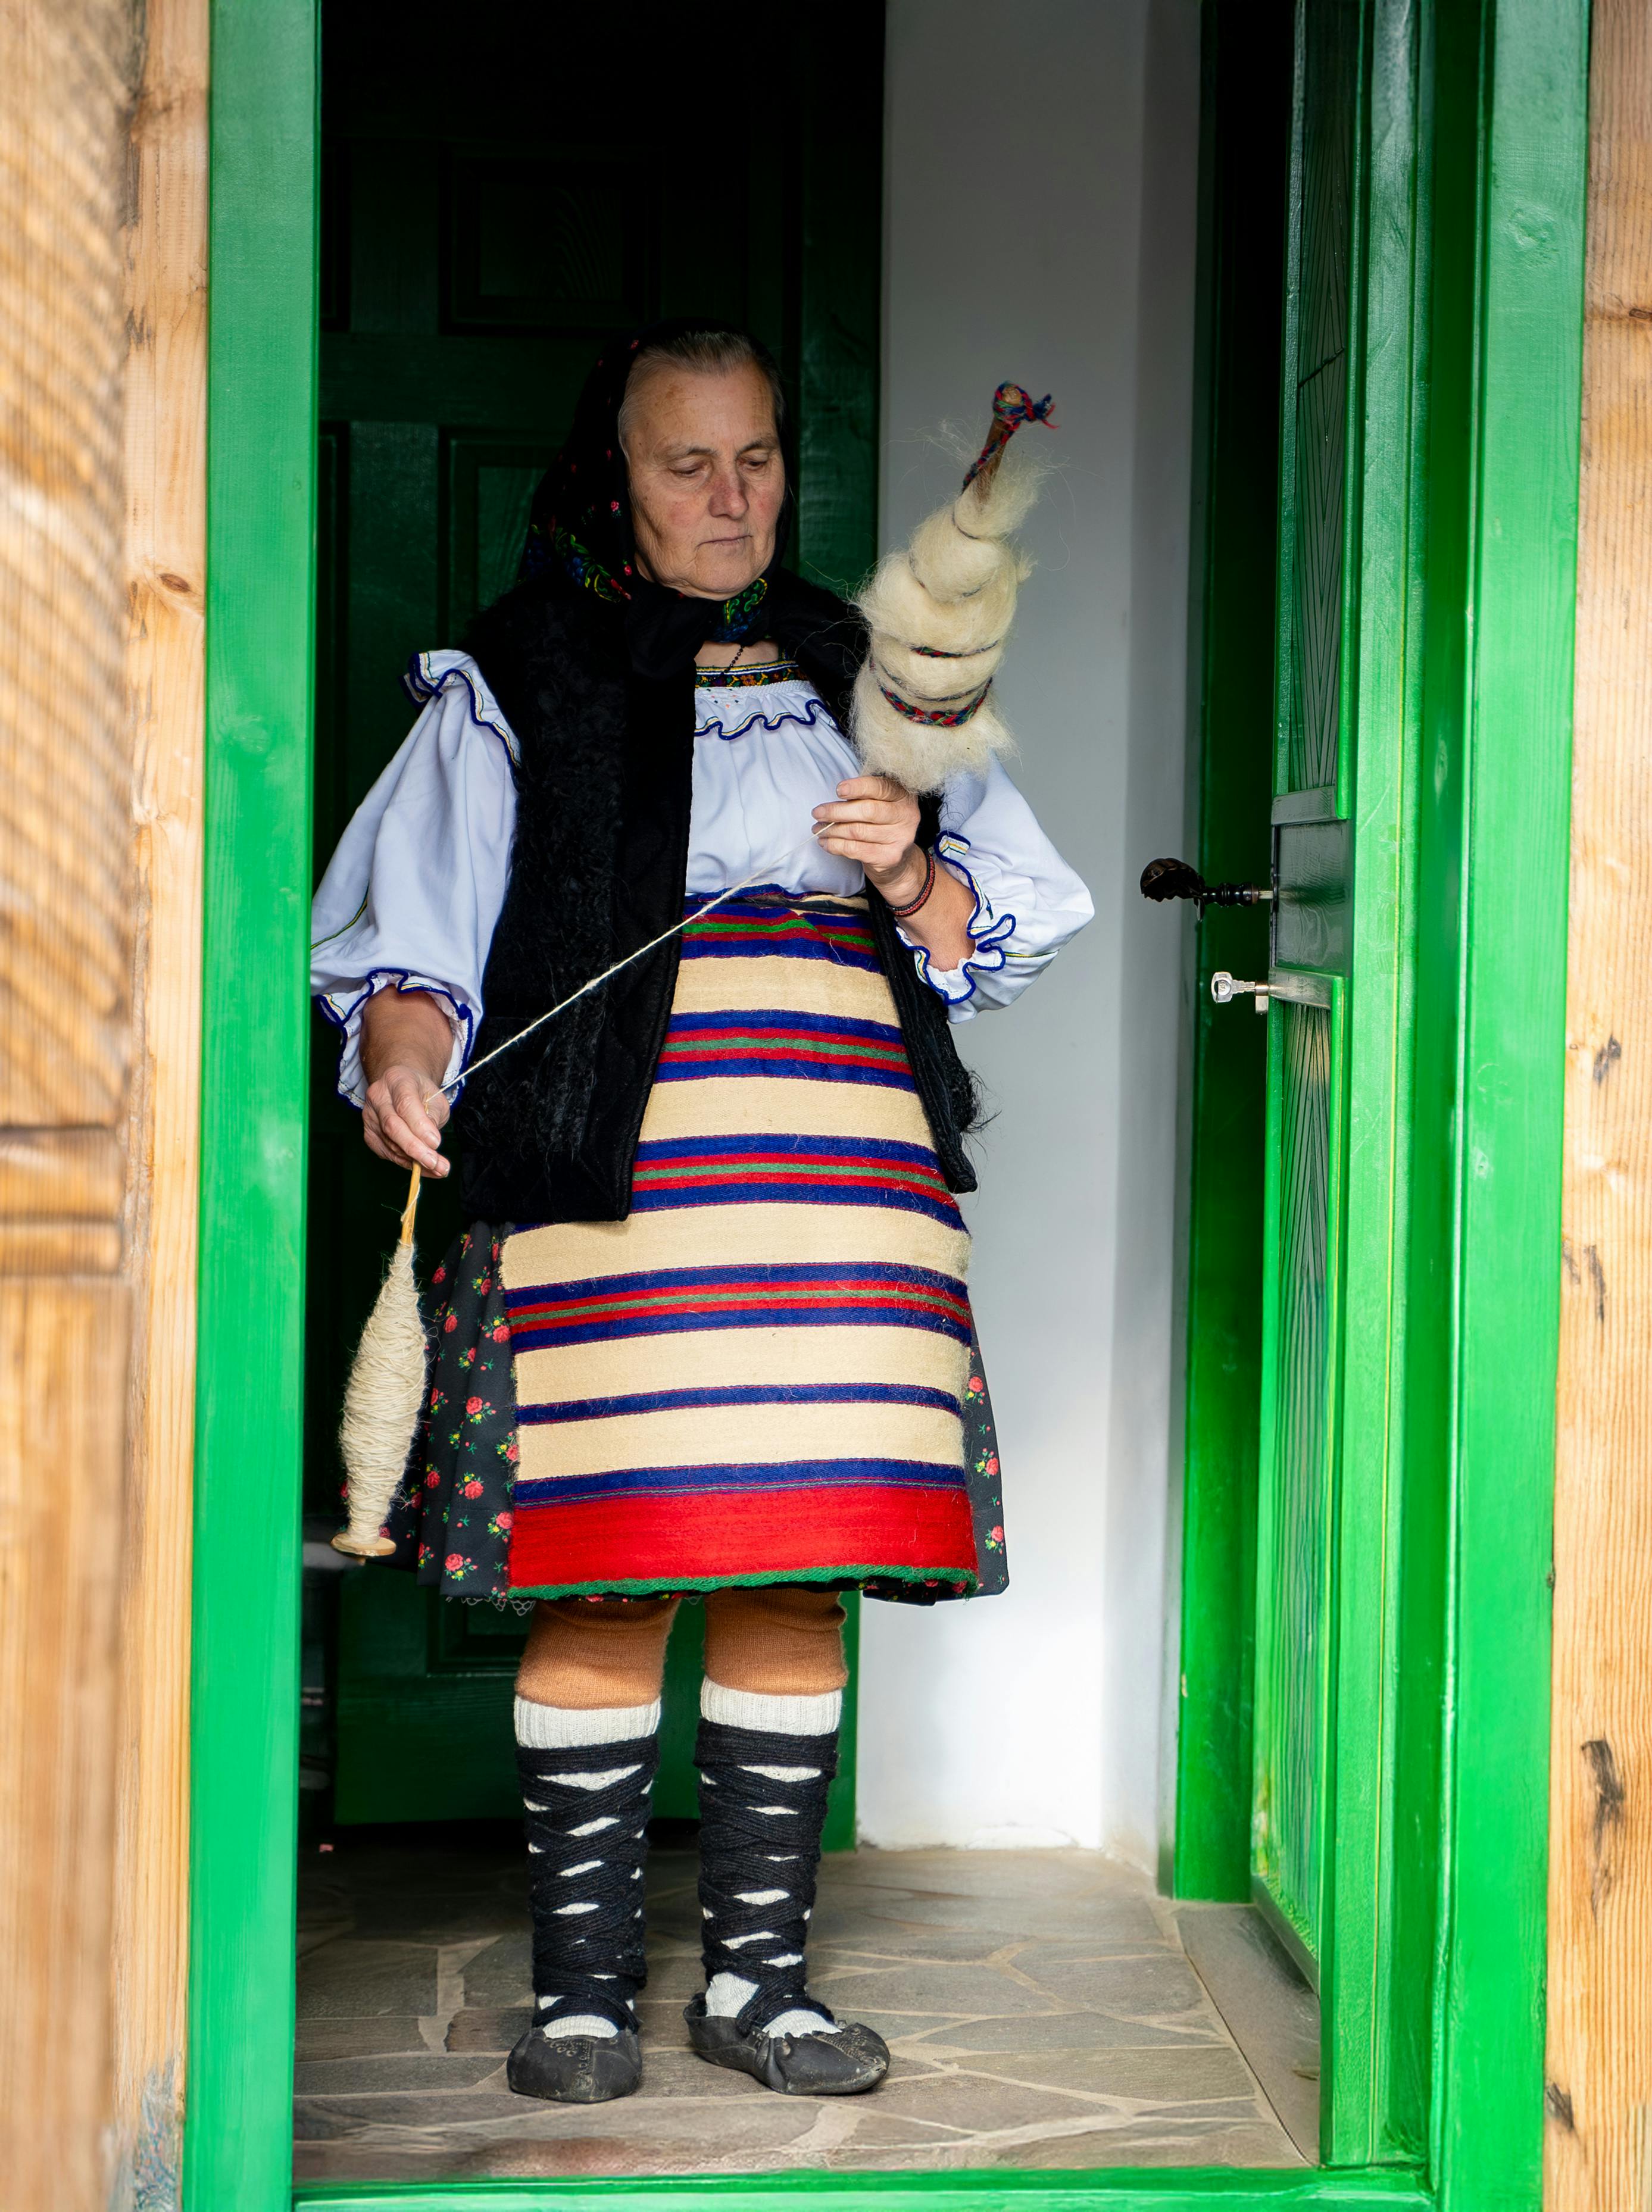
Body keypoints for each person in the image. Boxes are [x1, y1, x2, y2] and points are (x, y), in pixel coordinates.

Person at [311, 320, 1092, 2107]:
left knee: (797, 1564)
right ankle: (582, 1989)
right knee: (608, 1564)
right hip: (612, 1183)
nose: (732, 496)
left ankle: (762, 1982)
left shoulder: (878, 671)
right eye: (689, 464)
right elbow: (410, 944)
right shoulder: (518, 676)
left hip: (841, 1190)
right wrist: (406, 1054)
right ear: (617, 476)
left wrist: (905, 860)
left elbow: (1004, 934)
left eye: (755, 460)